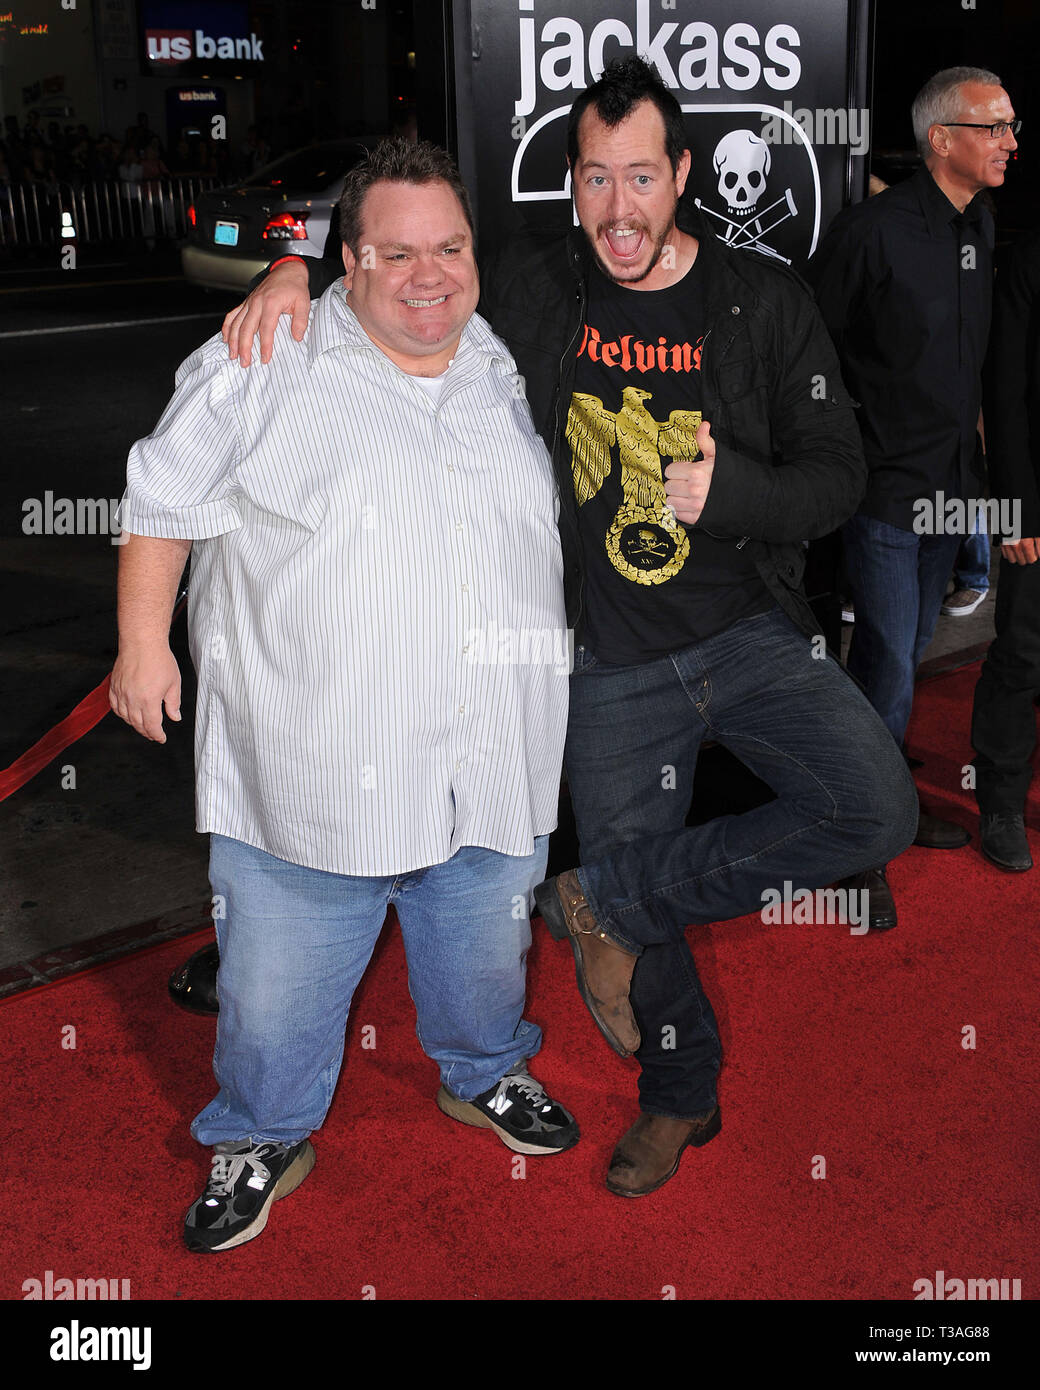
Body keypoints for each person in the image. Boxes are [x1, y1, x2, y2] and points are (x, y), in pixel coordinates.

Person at [222, 58, 917, 1199]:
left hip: (745, 628)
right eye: (594, 178)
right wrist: (290, 269)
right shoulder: (540, 289)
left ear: (681, 174)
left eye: (640, 176)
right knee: (651, 909)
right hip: (603, 660)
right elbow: (405, 279)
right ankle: (678, 1094)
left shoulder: (763, 297)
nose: (617, 208)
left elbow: (839, 474)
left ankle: (607, 898)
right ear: (572, 182)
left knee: (870, 807)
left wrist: (728, 491)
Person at [110, 138, 577, 1254]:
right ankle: (262, 1131)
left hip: (490, 752)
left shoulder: (492, 358)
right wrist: (141, 644)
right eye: (397, 252)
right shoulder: (265, 355)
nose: (431, 274)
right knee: (273, 986)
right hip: (314, 768)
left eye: (450, 247)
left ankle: (483, 1071)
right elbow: (162, 496)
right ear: (346, 260)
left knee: (482, 949)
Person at [809, 66, 1019, 926]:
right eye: (995, 125)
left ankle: (883, 802)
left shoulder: (984, 222)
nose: (1011, 140)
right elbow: (816, 348)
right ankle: (857, 841)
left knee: (902, 654)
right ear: (942, 139)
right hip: (887, 491)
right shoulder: (874, 232)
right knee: (891, 665)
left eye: (1012, 125)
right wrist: (852, 447)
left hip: (952, 492)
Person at [970, 227, 1040, 871]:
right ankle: (1000, 801)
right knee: (1022, 650)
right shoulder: (1024, 261)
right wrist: (1013, 513)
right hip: (1037, 506)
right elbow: (1005, 397)